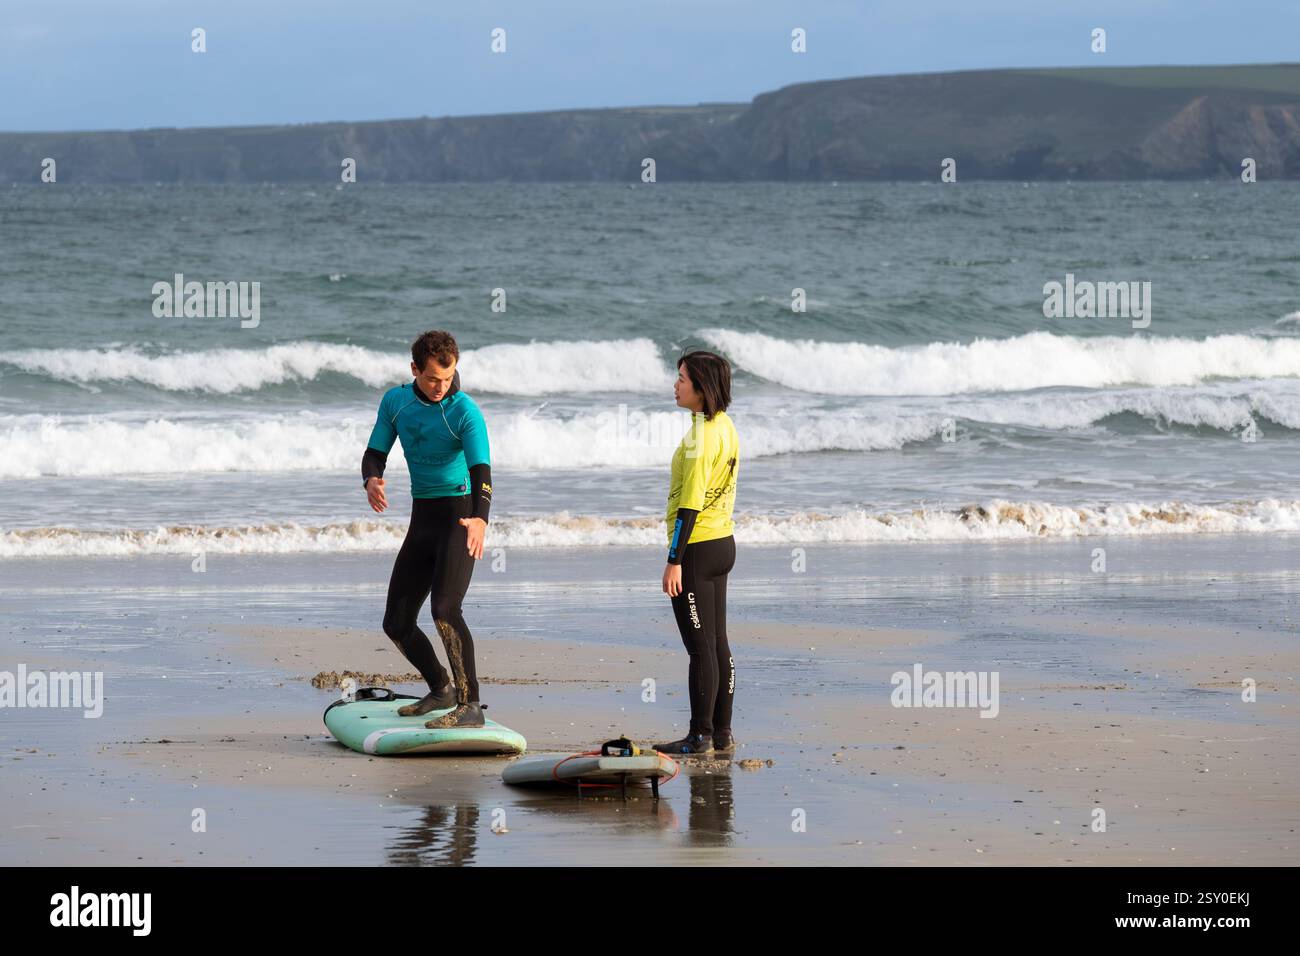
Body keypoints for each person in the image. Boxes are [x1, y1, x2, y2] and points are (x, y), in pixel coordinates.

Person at [362, 329, 493, 729]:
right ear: (415, 369)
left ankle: (469, 705)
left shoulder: (464, 411)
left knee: (445, 610)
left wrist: (481, 520)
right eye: (433, 378)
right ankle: (441, 688)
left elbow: (482, 472)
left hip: (460, 516)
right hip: (423, 518)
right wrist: (371, 479)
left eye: (449, 377)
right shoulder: (396, 402)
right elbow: (374, 454)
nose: (441, 387)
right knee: (396, 623)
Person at [654, 350, 740, 757]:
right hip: (722, 543)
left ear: (701, 389)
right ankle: (721, 732)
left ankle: (699, 736)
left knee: (699, 648)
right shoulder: (724, 427)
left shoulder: (699, 439)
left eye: (682, 379)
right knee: (717, 642)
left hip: (697, 550)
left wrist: (674, 560)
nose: (675, 385)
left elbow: (689, 505)